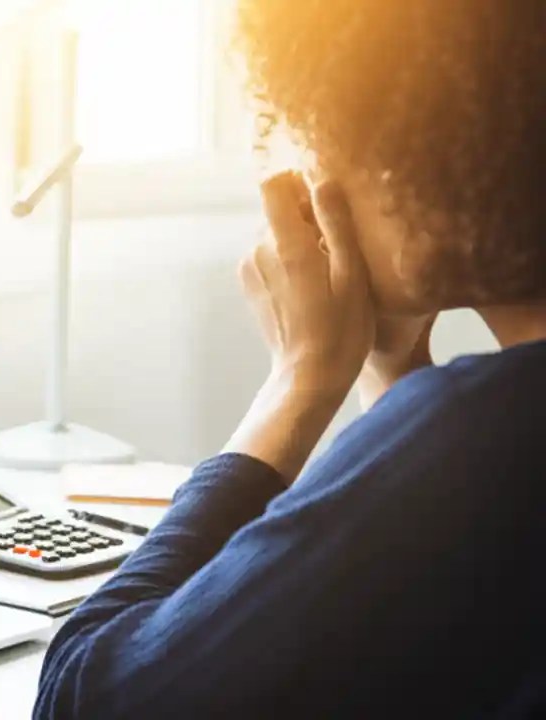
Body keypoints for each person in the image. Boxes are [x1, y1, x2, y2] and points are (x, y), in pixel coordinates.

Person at [34, 2, 546, 717]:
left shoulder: (481, 430)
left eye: (322, 132)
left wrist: (297, 380)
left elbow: (89, 699)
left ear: (430, 151)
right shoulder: (478, 436)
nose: (309, 170)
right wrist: (391, 375)